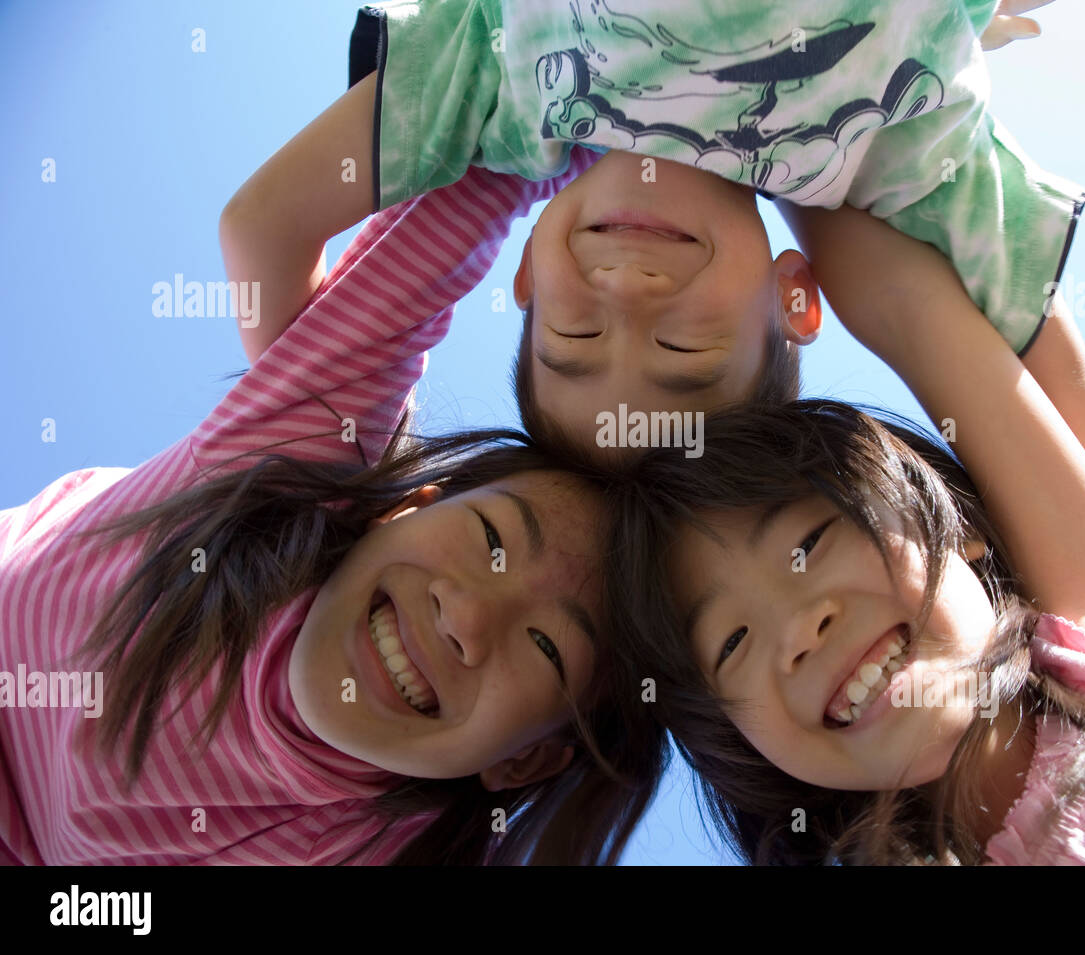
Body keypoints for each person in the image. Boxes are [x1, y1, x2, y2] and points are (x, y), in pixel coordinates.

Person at [0, 165, 661, 865]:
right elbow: (477, 183)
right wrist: (613, 105)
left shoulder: (376, 852)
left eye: (548, 648)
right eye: (489, 538)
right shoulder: (297, 476)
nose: (464, 619)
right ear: (403, 510)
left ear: (524, 761)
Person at [603, 203, 1085, 864]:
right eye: (730, 644)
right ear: (747, 749)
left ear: (956, 524)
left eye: (810, 543)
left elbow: (906, 296)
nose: (800, 629)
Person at [223, 1, 1085, 471]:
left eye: (576, 335)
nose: (631, 295)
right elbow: (1071, 406)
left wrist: (350, 482)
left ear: (527, 271)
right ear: (797, 298)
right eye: (684, 344)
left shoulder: (508, 93)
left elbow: (259, 225)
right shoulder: (876, 150)